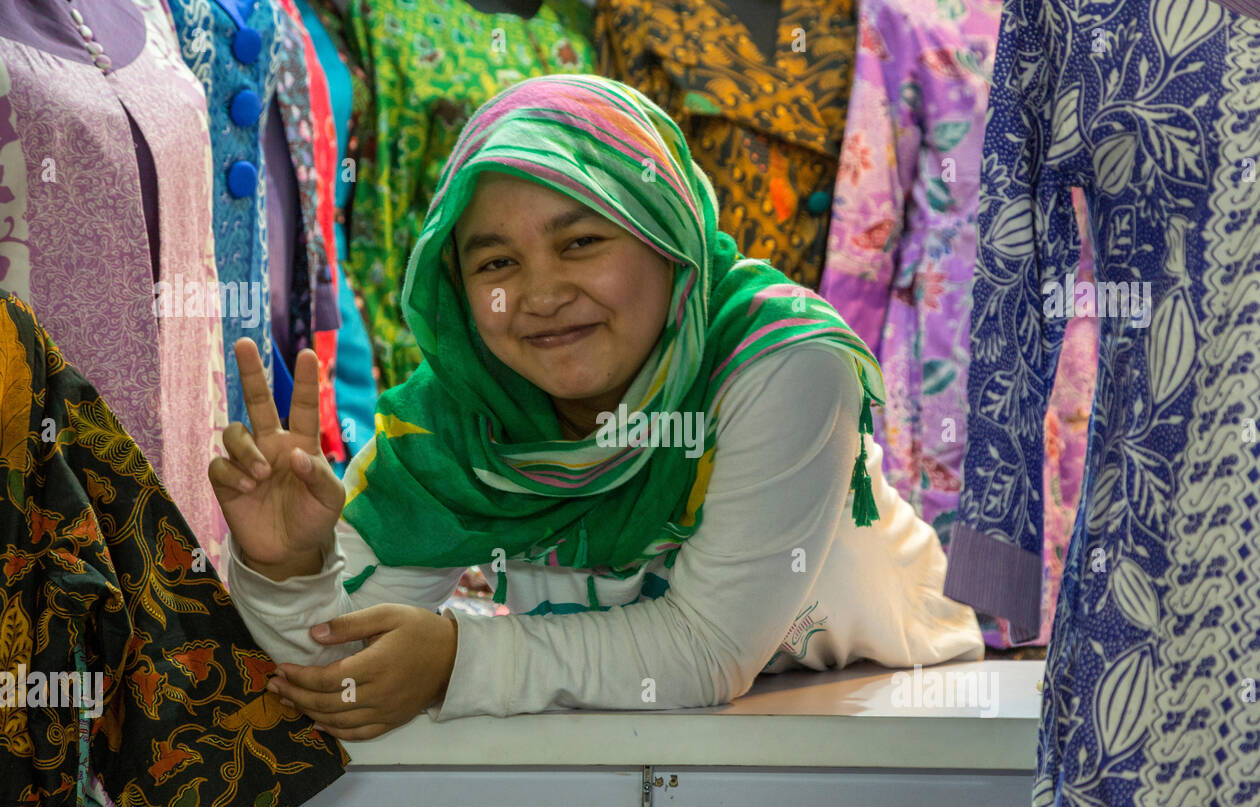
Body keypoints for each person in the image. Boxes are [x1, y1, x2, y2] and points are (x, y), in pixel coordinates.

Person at [215, 74, 982, 741]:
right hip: (641, 766)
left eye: (580, 241)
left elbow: (708, 649)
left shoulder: (780, 361)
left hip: (894, 757)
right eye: (496, 262)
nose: (540, 296)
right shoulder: (460, 420)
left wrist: (457, 659)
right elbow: (340, 674)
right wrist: (286, 570)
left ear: (667, 236)